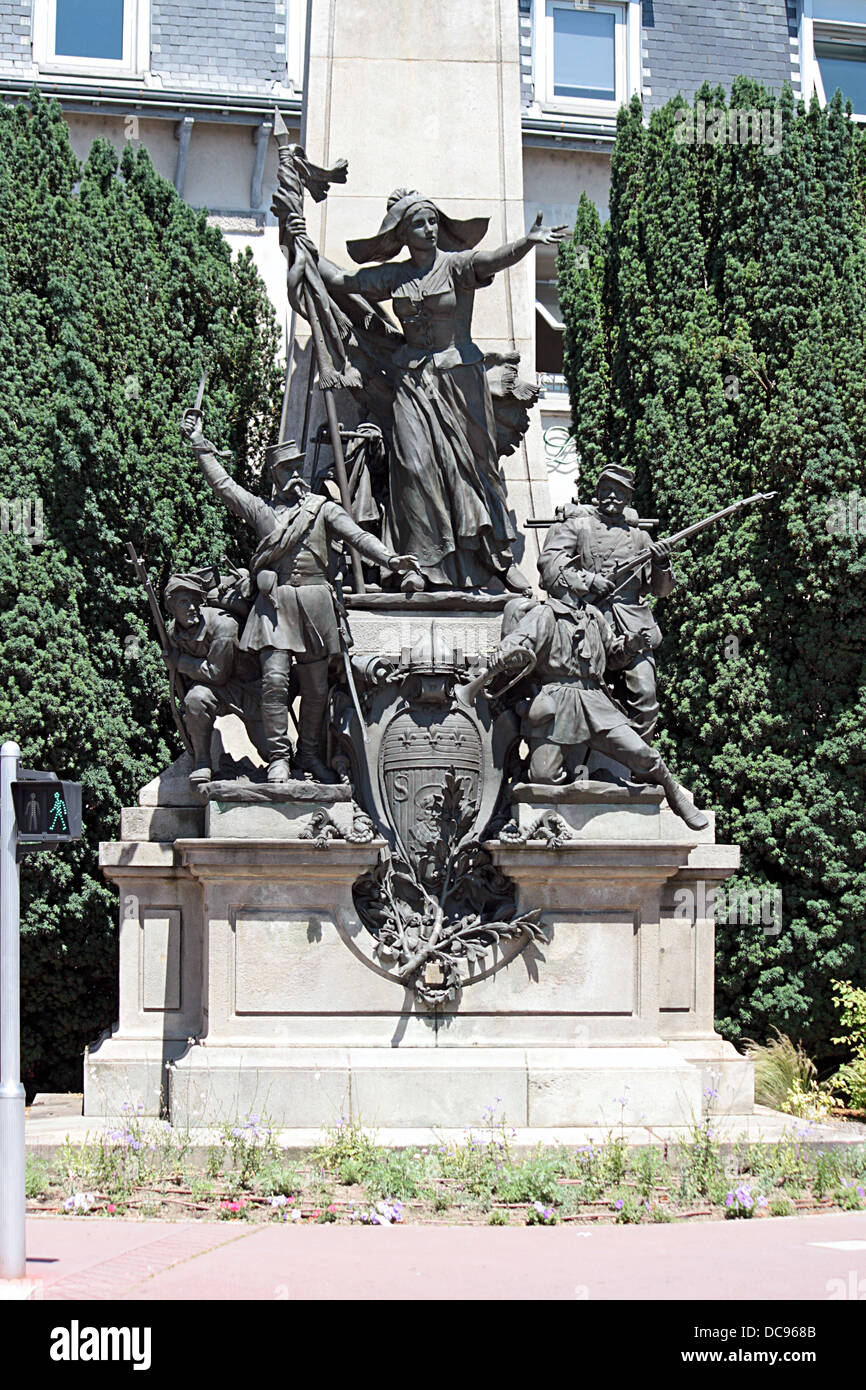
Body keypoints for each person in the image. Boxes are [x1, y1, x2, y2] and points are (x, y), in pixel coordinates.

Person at [307, 191, 568, 592]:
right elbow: (343, 281)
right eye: (419, 224)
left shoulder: (456, 266)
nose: (429, 230)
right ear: (402, 234)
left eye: (433, 222)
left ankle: (496, 559)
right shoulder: (396, 276)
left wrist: (527, 243)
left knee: (473, 471)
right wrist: (304, 246)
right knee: (413, 466)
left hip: (459, 381)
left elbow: (492, 258)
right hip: (411, 381)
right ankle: (414, 564)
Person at [181, 409, 421, 782]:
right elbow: (225, 486)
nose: (294, 475)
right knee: (274, 682)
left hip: (315, 605)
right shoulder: (263, 512)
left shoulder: (321, 509)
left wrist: (392, 559)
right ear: (273, 476)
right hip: (276, 607)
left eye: (297, 468)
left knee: (315, 688)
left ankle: (309, 755)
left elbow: (357, 537)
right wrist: (199, 444)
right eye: (285, 470)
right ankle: (279, 757)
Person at [494, 585, 709, 831]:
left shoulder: (593, 615)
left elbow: (612, 657)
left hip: (594, 700)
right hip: (556, 700)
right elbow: (520, 642)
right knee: (544, 776)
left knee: (640, 752)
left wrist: (630, 645)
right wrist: (503, 653)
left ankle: (673, 791)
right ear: (562, 579)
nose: (585, 578)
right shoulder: (544, 614)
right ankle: (589, 791)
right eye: (577, 572)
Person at [537, 464, 674, 739]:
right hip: (585, 624)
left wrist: (661, 563)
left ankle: (637, 764)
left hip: (631, 626)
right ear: (597, 493)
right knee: (581, 696)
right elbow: (549, 564)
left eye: (620, 492)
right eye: (607, 490)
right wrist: (588, 581)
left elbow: (661, 591)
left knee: (646, 697)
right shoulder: (578, 526)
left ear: (629, 498)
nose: (612, 497)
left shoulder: (639, 537)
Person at [163, 573, 264, 785]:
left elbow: (217, 673)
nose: (191, 607)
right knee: (195, 698)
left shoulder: (223, 625)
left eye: (194, 601)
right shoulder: (173, 632)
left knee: (271, 751)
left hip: (248, 690)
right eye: (183, 602)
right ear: (171, 608)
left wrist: (179, 661)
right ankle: (202, 762)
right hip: (215, 690)